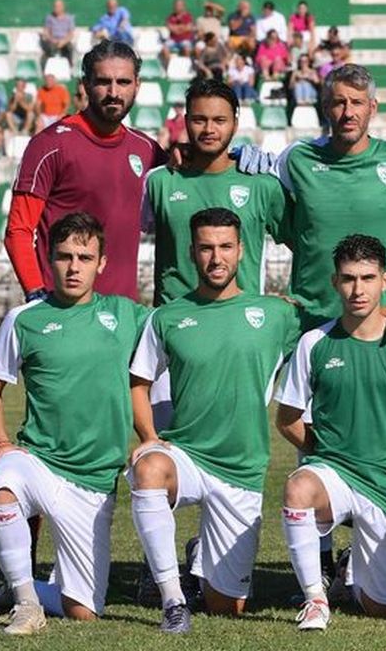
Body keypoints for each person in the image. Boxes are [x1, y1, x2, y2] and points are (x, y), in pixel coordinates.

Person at [128, 207, 307, 633]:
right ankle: (172, 601)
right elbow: (138, 382)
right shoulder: (167, 317)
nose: (216, 258)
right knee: (148, 467)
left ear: (241, 250)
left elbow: (342, 325)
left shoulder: (278, 314)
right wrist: (150, 437)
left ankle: (198, 561)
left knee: (228, 607)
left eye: (225, 246)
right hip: (186, 456)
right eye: (206, 248)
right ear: (192, 252)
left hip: (242, 470)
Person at [0, 212, 148, 635]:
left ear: (102, 263)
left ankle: (22, 583)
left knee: (83, 610)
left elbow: (178, 338)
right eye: (65, 256)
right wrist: (0, 443)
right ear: (48, 258)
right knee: (2, 482)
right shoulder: (24, 319)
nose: (74, 267)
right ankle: (26, 603)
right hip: (39, 462)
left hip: (93, 482)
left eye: (85, 257)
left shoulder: (127, 315)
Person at [276, 234, 386, 631]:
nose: (358, 288)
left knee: (381, 609)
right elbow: (287, 419)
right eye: (348, 278)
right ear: (335, 282)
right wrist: (325, 453)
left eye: (367, 278)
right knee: (298, 487)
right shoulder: (313, 343)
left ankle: (351, 571)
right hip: (333, 473)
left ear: (385, 280)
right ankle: (315, 599)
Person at [5, 39, 166, 304]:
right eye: (103, 82)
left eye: (124, 82)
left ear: (137, 85)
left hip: (123, 316)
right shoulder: (50, 144)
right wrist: (36, 295)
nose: (114, 92)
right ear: (86, 85)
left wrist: (240, 158)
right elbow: (18, 230)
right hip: (62, 312)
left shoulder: (149, 151)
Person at [267, 64, 386, 318]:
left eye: (357, 103)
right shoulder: (298, 158)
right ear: (325, 109)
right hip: (308, 320)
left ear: (372, 108)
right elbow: (278, 216)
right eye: (339, 102)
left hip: (377, 322)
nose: (348, 113)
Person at [141, 79, 286, 307]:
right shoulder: (158, 182)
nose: (209, 130)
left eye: (220, 120)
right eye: (200, 120)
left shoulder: (262, 184)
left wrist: (294, 298)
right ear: (187, 122)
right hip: (175, 326)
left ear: (235, 124)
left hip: (241, 324)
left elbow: (307, 244)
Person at [40, 0, 75, 67]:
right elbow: (46, 32)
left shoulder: (69, 18)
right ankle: (47, 70)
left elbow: (71, 34)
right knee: (48, 50)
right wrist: (53, 40)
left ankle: (69, 68)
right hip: (52, 41)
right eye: (55, 6)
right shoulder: (49, 18)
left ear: (63, 7)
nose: (56, 8)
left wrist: (63, 41)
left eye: (58, 6)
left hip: (65, 41)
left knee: (70, 48)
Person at [160, 0, 195, 66]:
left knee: (187, 49)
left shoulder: (188, 16)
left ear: (183, 6)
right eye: (176, 5)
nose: (177, 7)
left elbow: (189, 27)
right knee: (164, 49)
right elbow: (171, 29)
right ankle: (169, 67)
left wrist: (176, 28)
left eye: (179, 5)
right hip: (173, 40)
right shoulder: (170, 17)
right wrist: (182, 27)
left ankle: (185, 67)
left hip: (185, 39)